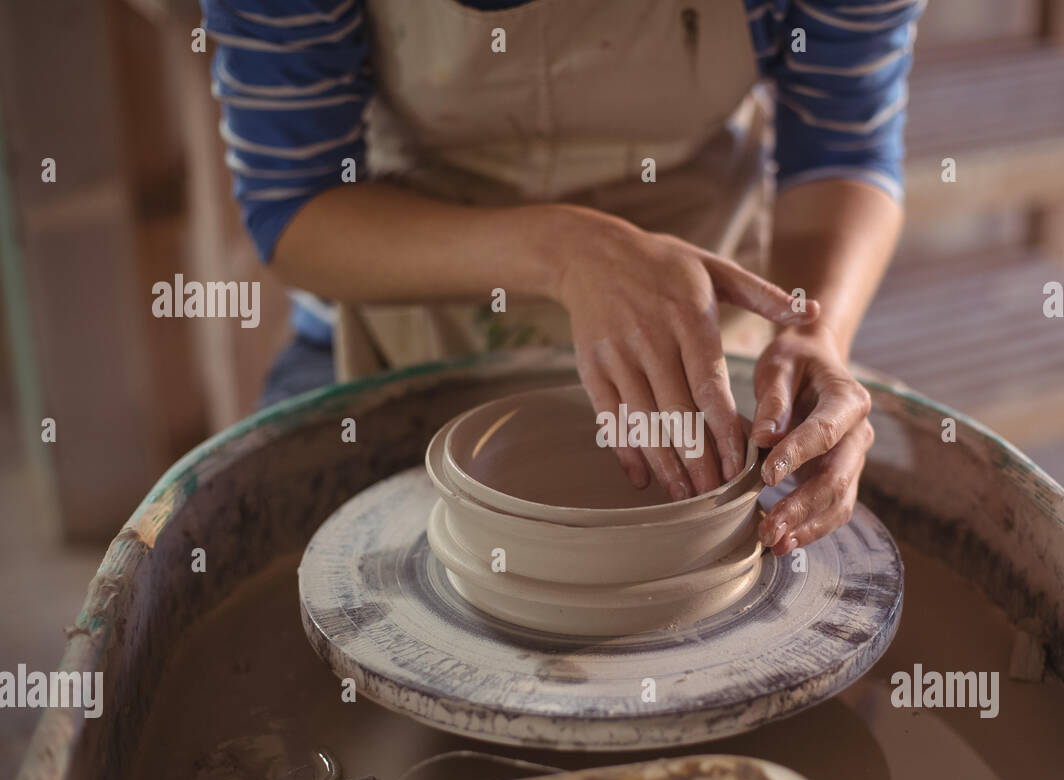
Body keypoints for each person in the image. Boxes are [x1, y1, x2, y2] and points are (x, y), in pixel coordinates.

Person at [203, 0, 923, 556]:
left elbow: (842, 146)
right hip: (407, 281)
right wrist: (564, 252)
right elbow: (295, 205)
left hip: (702, 315)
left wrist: (813, 335)